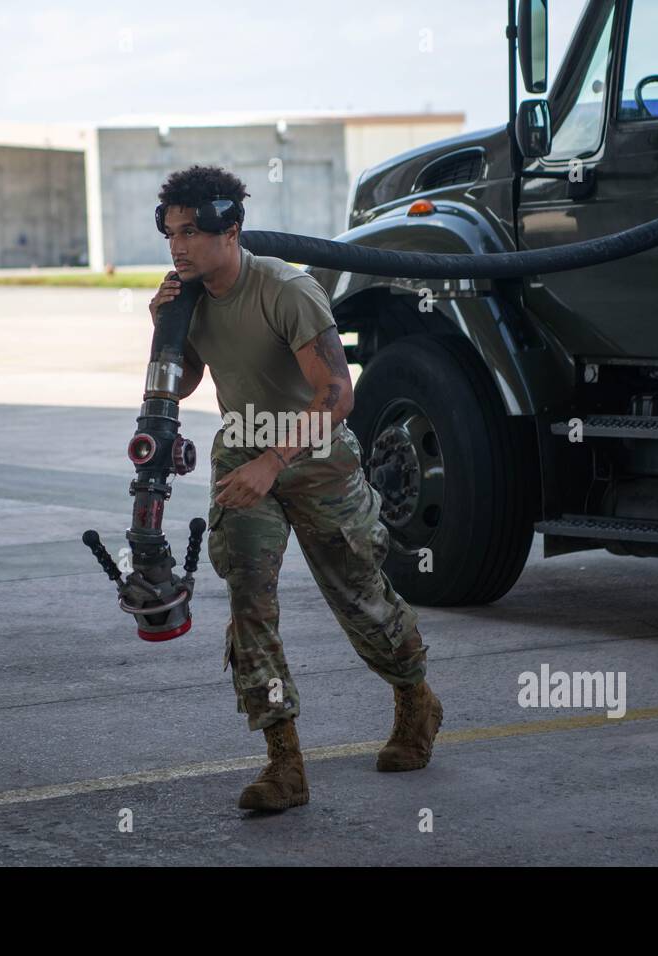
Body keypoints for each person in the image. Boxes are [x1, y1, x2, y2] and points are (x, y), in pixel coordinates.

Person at [147, 164, 442, 812]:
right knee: (249, 603)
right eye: (170, 233)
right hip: (243, 451)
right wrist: (163, 326)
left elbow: (338, 394)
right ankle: (284, 763)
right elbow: (191, 378)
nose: (178, 246)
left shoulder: (286, 289)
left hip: (312, 456)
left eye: (192, 232)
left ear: (232, 230)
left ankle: (415, 697)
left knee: (359, 599)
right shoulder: (188, 294)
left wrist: (272, 462)